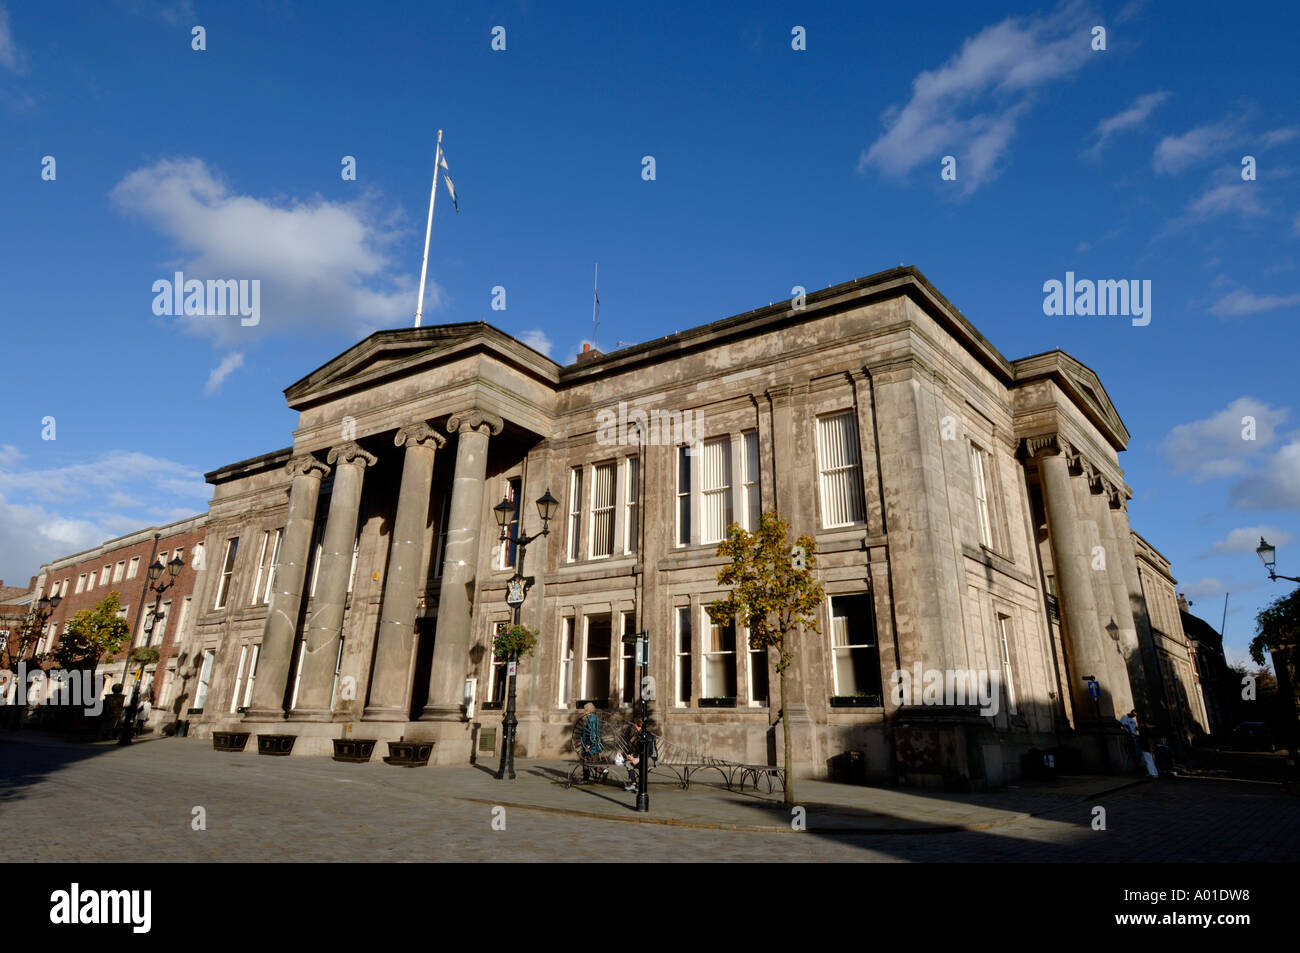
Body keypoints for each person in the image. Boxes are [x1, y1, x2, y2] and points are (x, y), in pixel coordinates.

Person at [579, 703, 605, 783]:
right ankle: (585, 778)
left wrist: (588, 745)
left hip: (591, 745)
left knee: (590, 762)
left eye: (585, 709)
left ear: (588, 710)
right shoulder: (593, 717)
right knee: (587, 762)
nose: (584, 711)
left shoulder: (591, 718)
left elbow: (592, 733)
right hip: (592, 744)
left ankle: (603, 771)